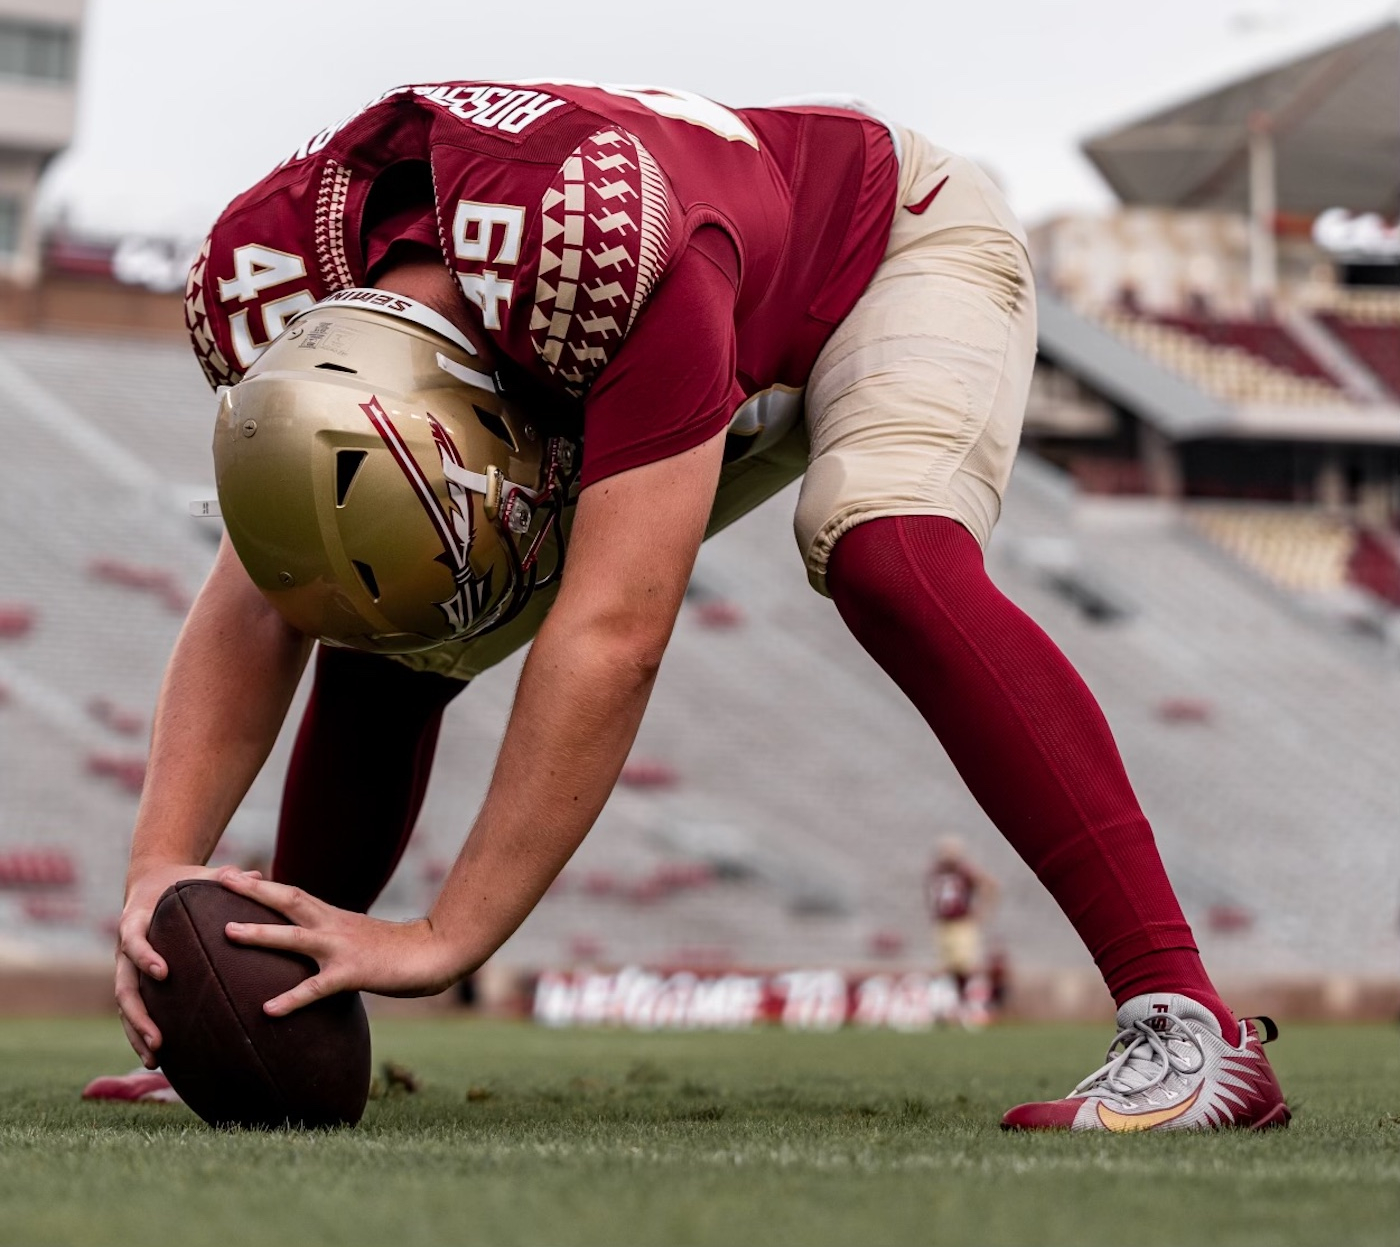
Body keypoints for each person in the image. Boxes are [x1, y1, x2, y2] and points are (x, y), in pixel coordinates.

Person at [100, 80, 1287, 1132]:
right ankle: (282, 995)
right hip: (650, 318)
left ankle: (1185, 1022)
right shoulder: (295, 297)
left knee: (886, 552)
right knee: (393, 627)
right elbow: (266, 597)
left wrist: (444, 936)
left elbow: (613, 635)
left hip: (879, 254)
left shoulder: (609, 271)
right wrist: (162, 868)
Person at [925, 836, 998, 1000]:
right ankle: (951, 1000)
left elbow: (990, 884)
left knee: (964, 964)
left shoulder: (965, 870)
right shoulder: (936, 870)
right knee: (946, 965)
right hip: (943, 923)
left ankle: (970, 1000)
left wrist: (983, 909)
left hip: (962, 922)